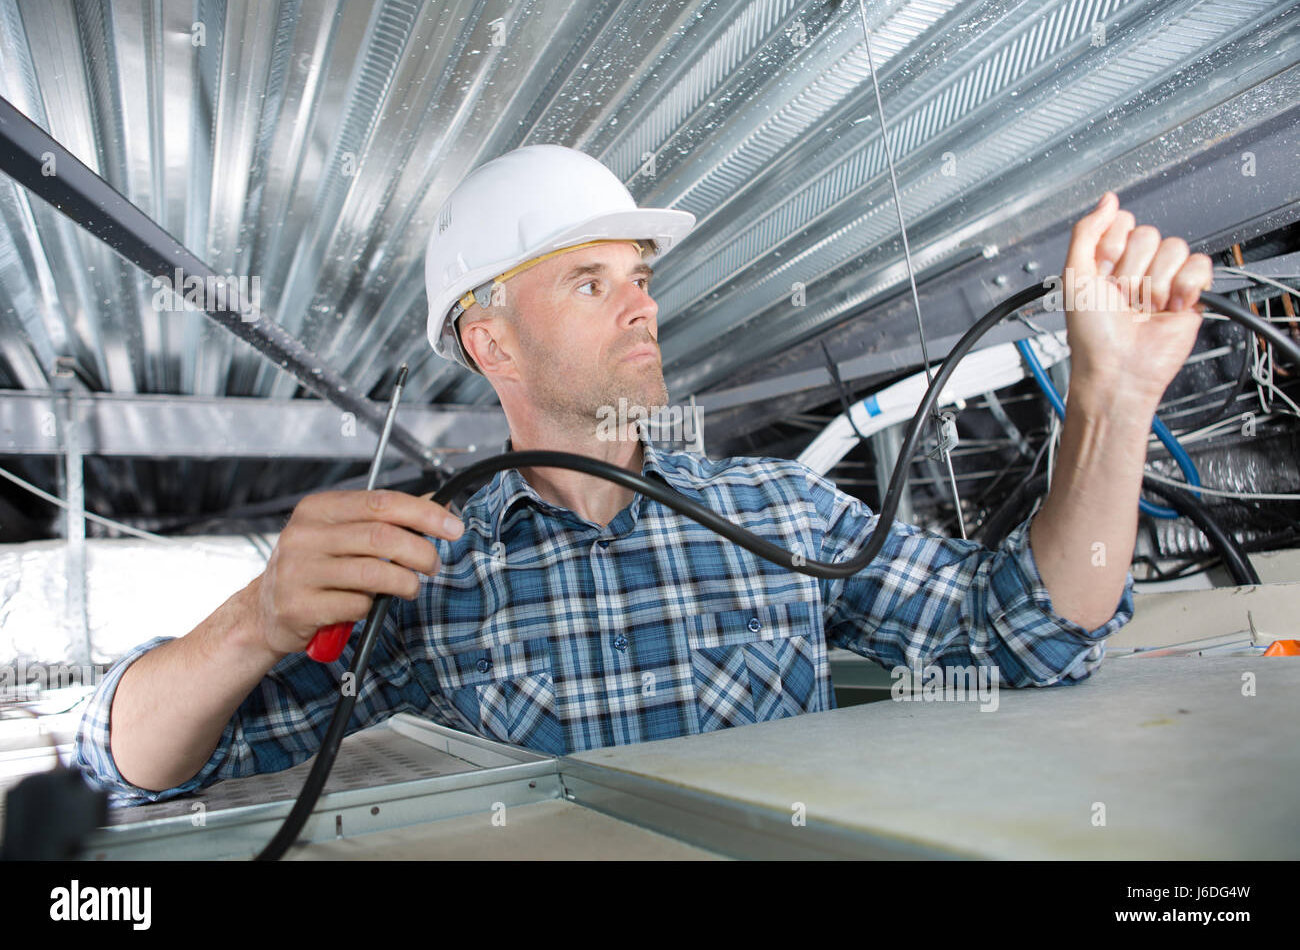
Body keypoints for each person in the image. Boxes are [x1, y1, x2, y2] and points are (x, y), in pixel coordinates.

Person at [76, 145, 1213, 803]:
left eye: (640, 274)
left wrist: (1111, 400)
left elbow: (1022, 631)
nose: (643, 301)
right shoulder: (423, 569)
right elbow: (131, 765)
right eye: (589, 279)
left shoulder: (780, 511)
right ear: (492, 344)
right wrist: (255, 618)